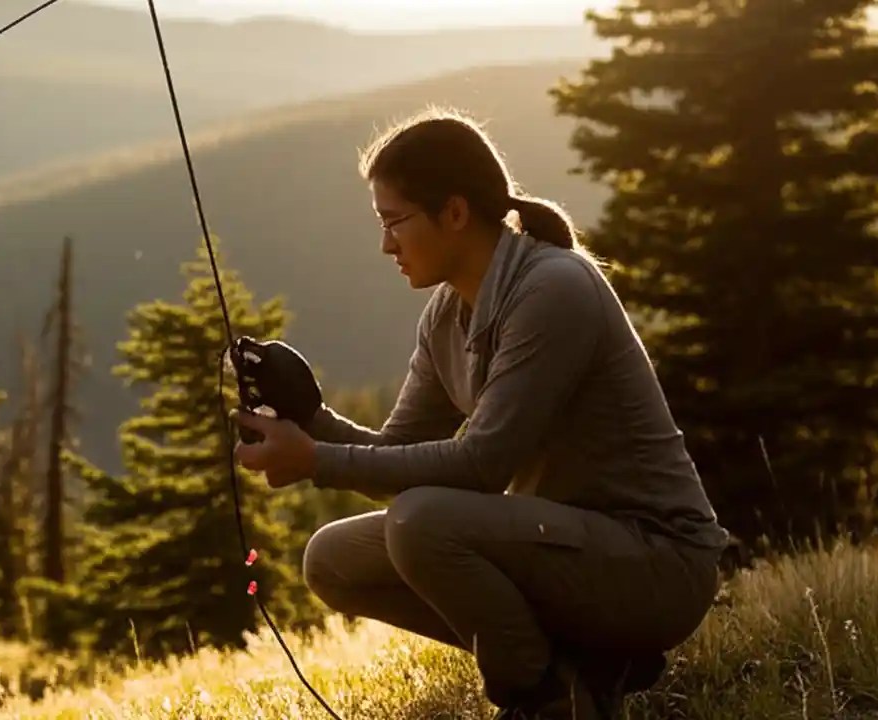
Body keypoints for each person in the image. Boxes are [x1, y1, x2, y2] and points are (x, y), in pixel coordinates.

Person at [229, 106, 730, 720]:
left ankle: (543, 699)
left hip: (656, 565)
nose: (386, 243)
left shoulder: (554, 289)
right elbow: (399, 453)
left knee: (422, 521)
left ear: (456, 213)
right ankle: (583, 670)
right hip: (564, 549)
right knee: (333, 560)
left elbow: (481, 465)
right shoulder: (447, 313)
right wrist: (310, 418)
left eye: (395, 221)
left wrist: (315, 460)